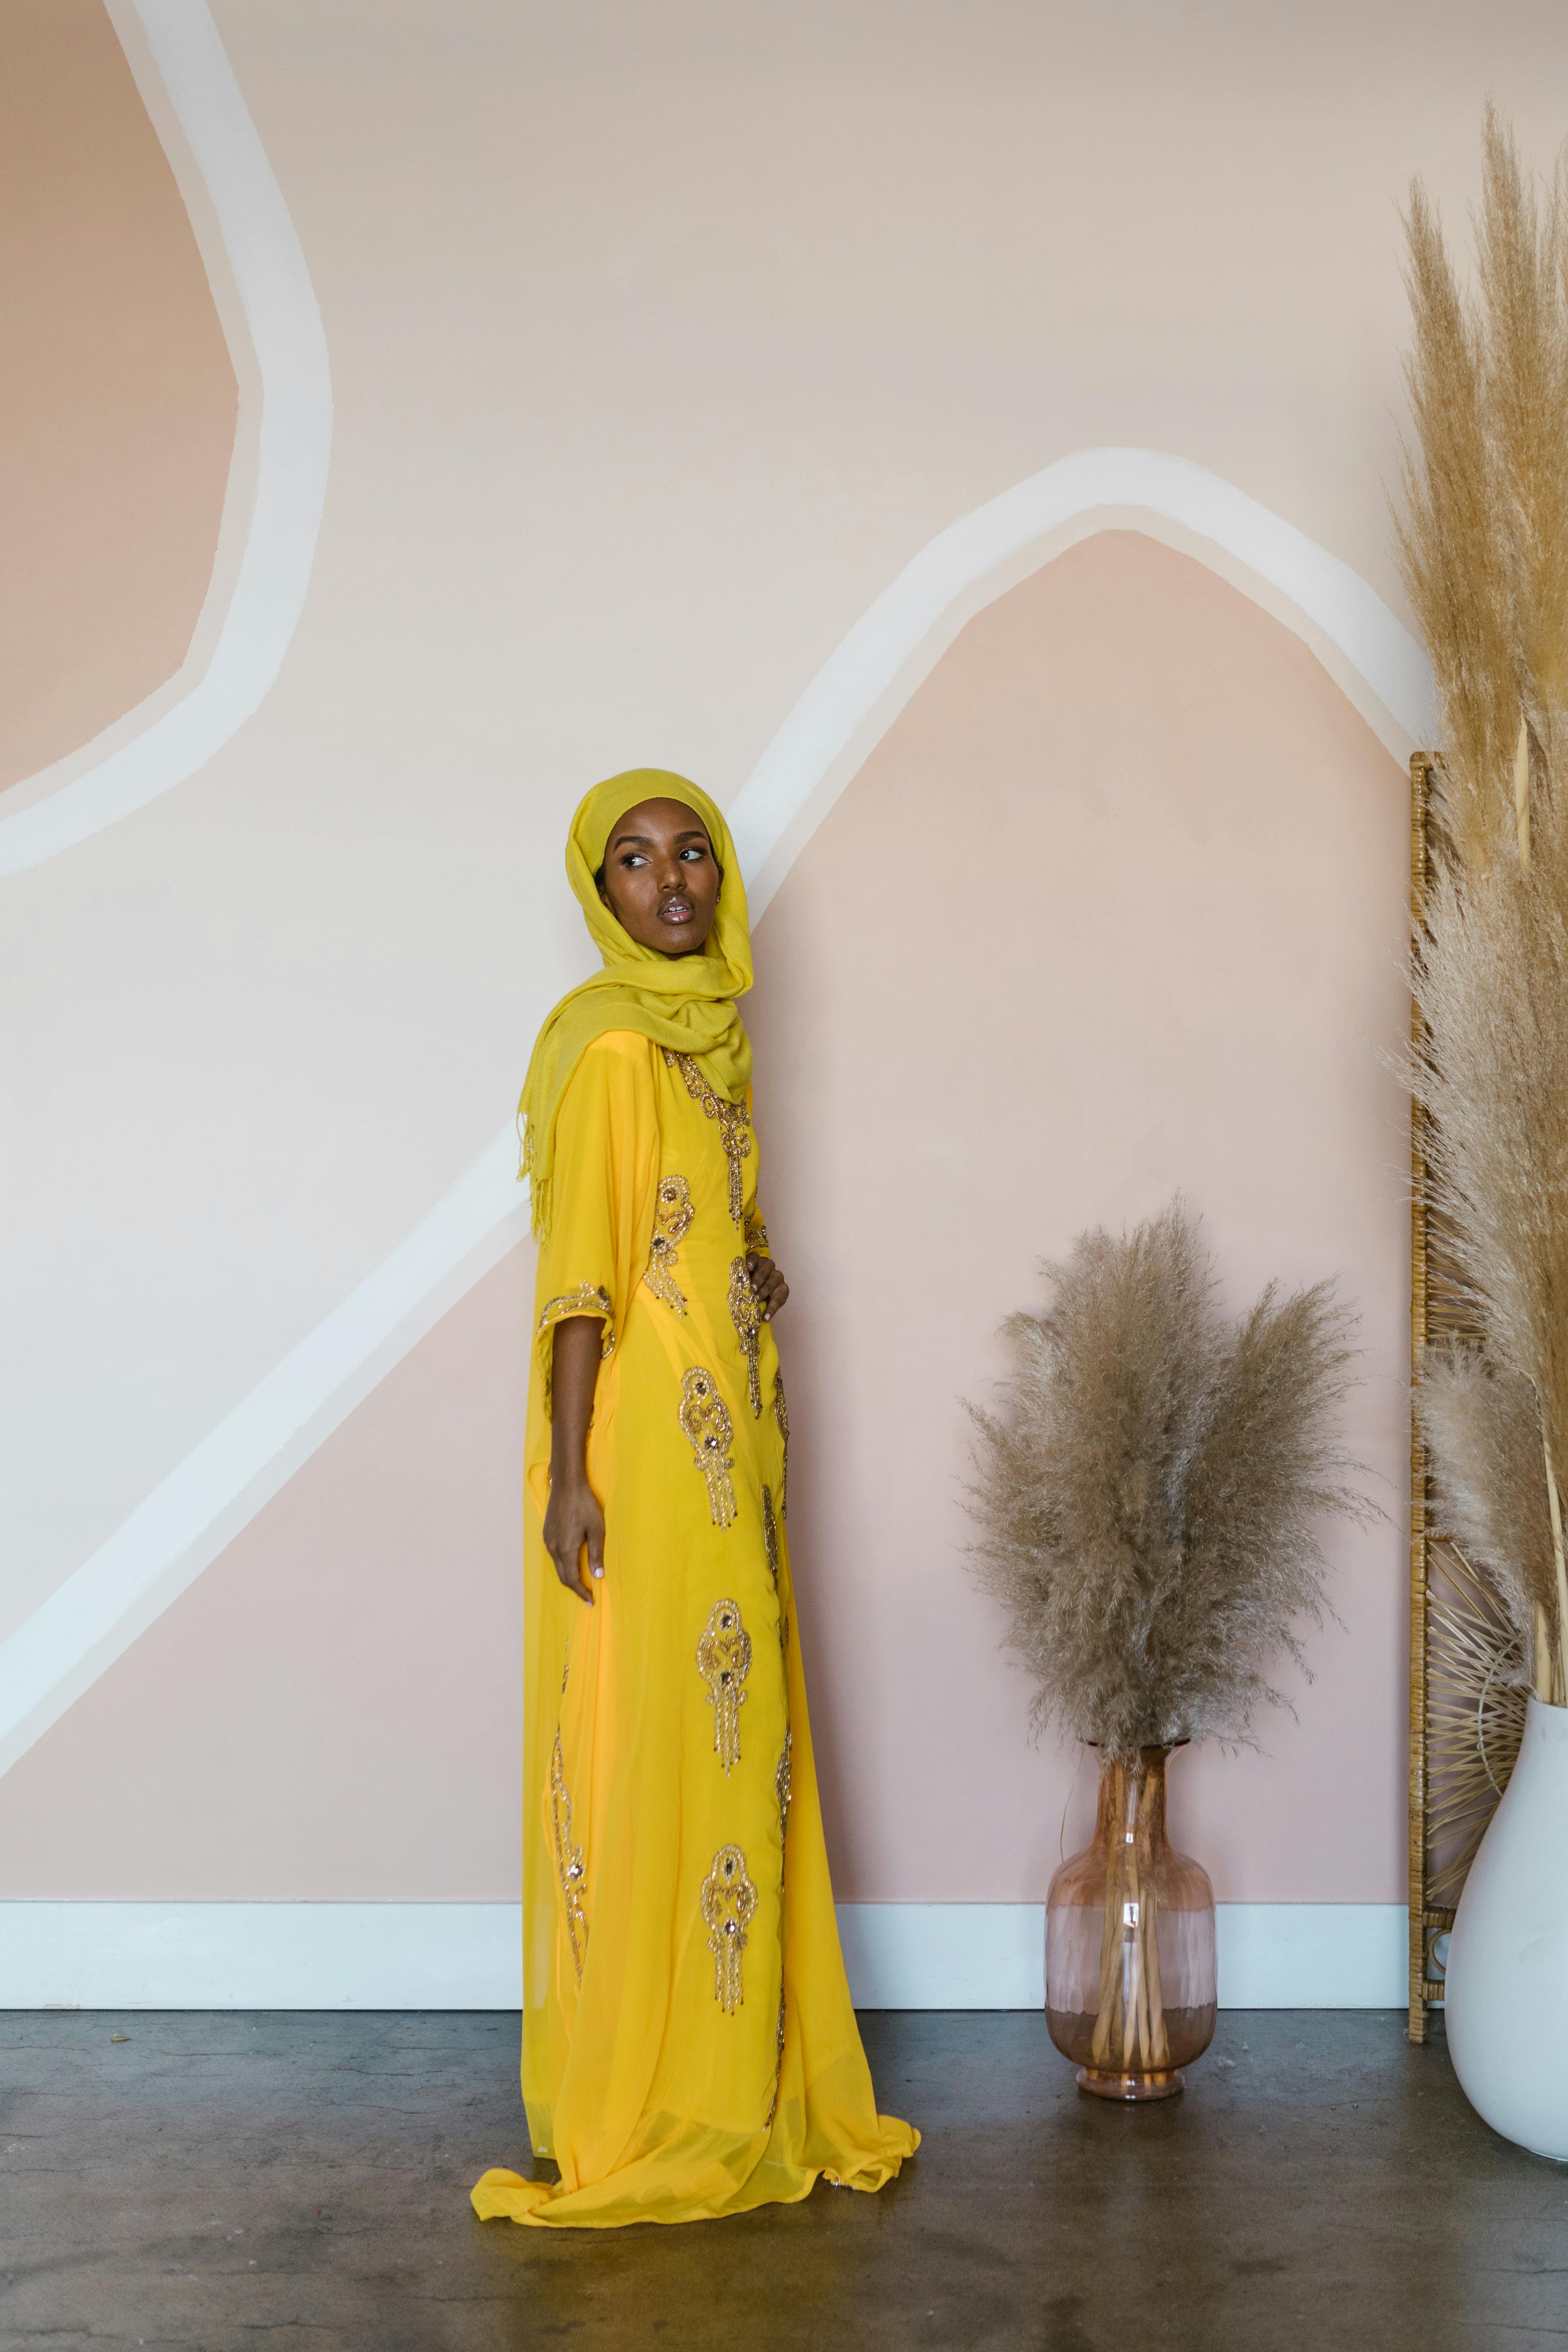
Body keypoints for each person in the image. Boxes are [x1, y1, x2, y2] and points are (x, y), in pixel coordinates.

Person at [471, 769, 918, 2227]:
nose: (670, 883)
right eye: (634, 861)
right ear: (594, 894)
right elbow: (583, 1280)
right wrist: (576, 1474)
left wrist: (755, 1273)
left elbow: (696, 1224)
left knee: (732, 1745)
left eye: (694, 856)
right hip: (651, 1457)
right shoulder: (608, 1048)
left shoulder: (714, 1042)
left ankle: (733, 2076)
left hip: (738, 1437)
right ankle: (657, 2085)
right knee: (662, 1734)